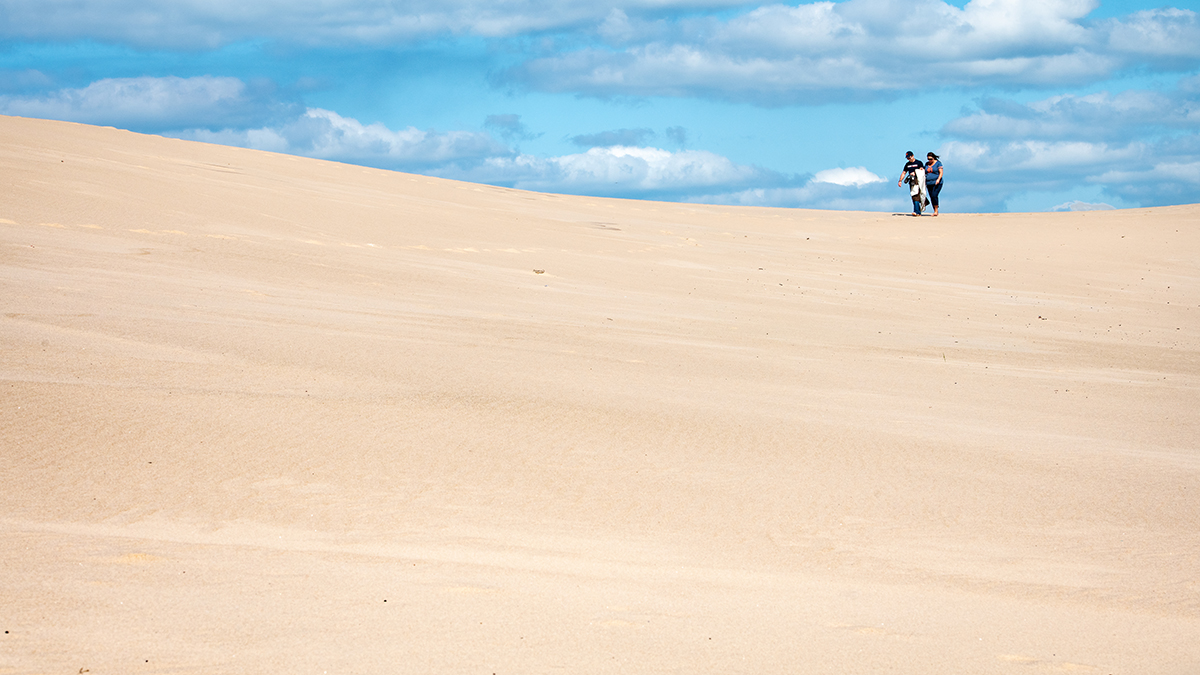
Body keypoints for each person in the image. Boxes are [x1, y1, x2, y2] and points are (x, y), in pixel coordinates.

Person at [897, 151, 926, 216]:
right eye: (907, 158)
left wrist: (916, 172)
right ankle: (917, 211)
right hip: (912, 181)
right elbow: (904, 172)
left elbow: (922, 171)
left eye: (909, 157)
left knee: (918, 195)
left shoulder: (919, 163)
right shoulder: (907, 164)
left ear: (912, 156)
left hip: (919, 181)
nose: (908, 159)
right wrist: (900, 180)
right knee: (914, 195)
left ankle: (917, 211)